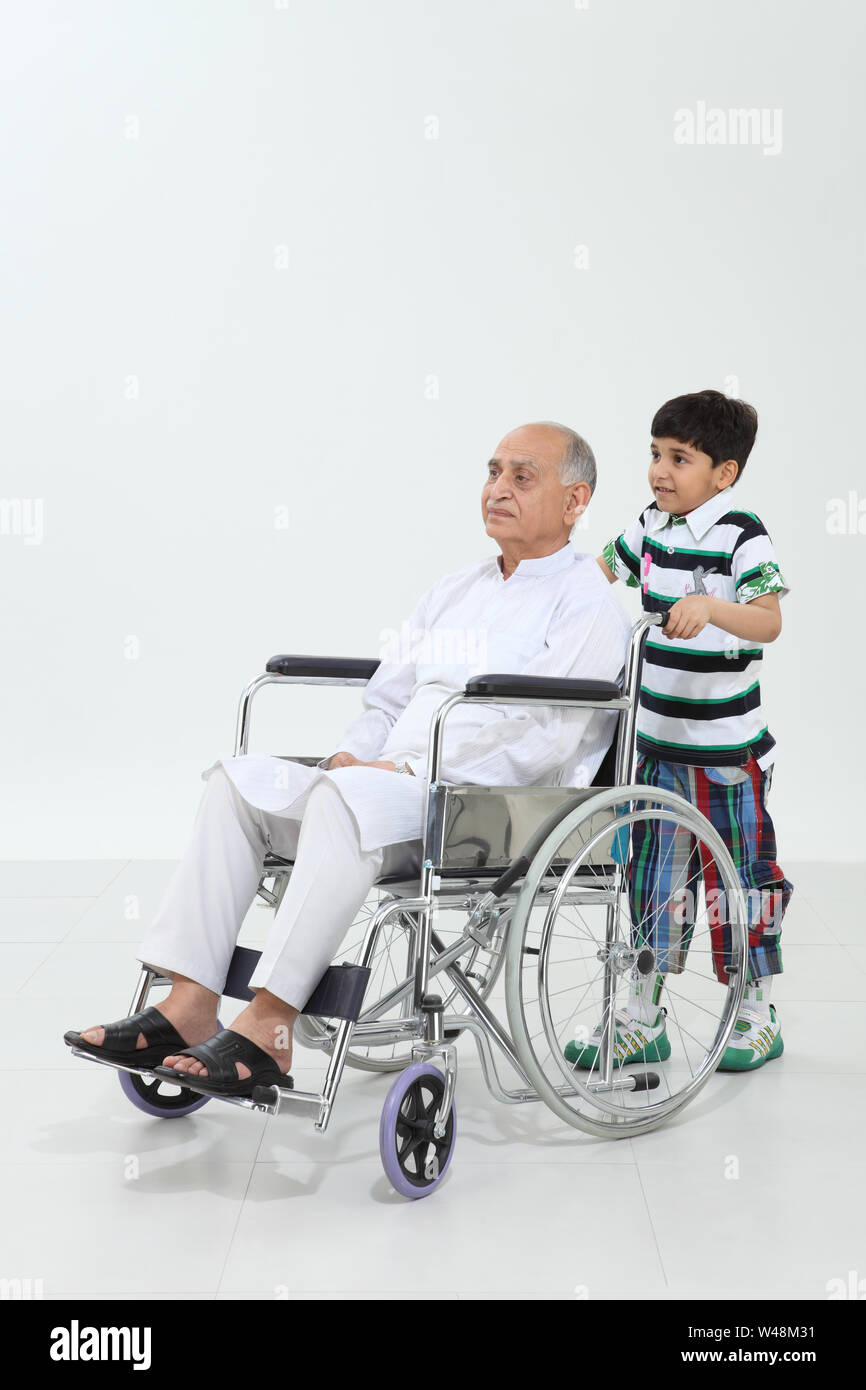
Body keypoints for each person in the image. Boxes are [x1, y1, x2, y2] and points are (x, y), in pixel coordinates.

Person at [64, 421, 631, 1097]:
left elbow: (545, 738)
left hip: (481, 808)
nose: (496, 488)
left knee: (344, 800)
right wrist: (351, 756)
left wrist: (400, 773)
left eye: (521, 476)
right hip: (384, 791)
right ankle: (188, 1004)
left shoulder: (588, 603)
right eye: (491, 472)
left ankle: (270, 1027)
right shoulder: (455, 590)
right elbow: (387, 697)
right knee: (236, 785)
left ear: (575, 501)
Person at [567, 389, 792, 1074]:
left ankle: (756, 1009)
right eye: (656, 455)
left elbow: (769, 620)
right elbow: (594, 573)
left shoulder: (741, 533)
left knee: (740, 883)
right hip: (657, 749)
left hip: (725, 756)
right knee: (653, 882)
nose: (661, 471)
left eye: (680, 458)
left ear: (722, 473)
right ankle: (643, 1012)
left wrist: (710, 606)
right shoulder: (650, 525)